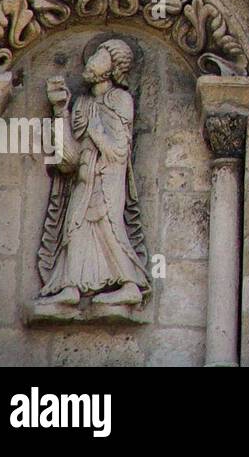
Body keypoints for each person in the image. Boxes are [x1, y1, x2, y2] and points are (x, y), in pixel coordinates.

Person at [38, 39, 149, 308]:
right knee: (73, 229)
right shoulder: (82, 103)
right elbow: (70, 159)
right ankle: (71, 287)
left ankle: (131, 285)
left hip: (108, 178)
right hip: (83, 178)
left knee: (109, 226)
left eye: (100, 57)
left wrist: (93, 129)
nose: (91, 62)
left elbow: (118, 151)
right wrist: (61, 111)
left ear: (112, 68)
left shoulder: (121, 99)